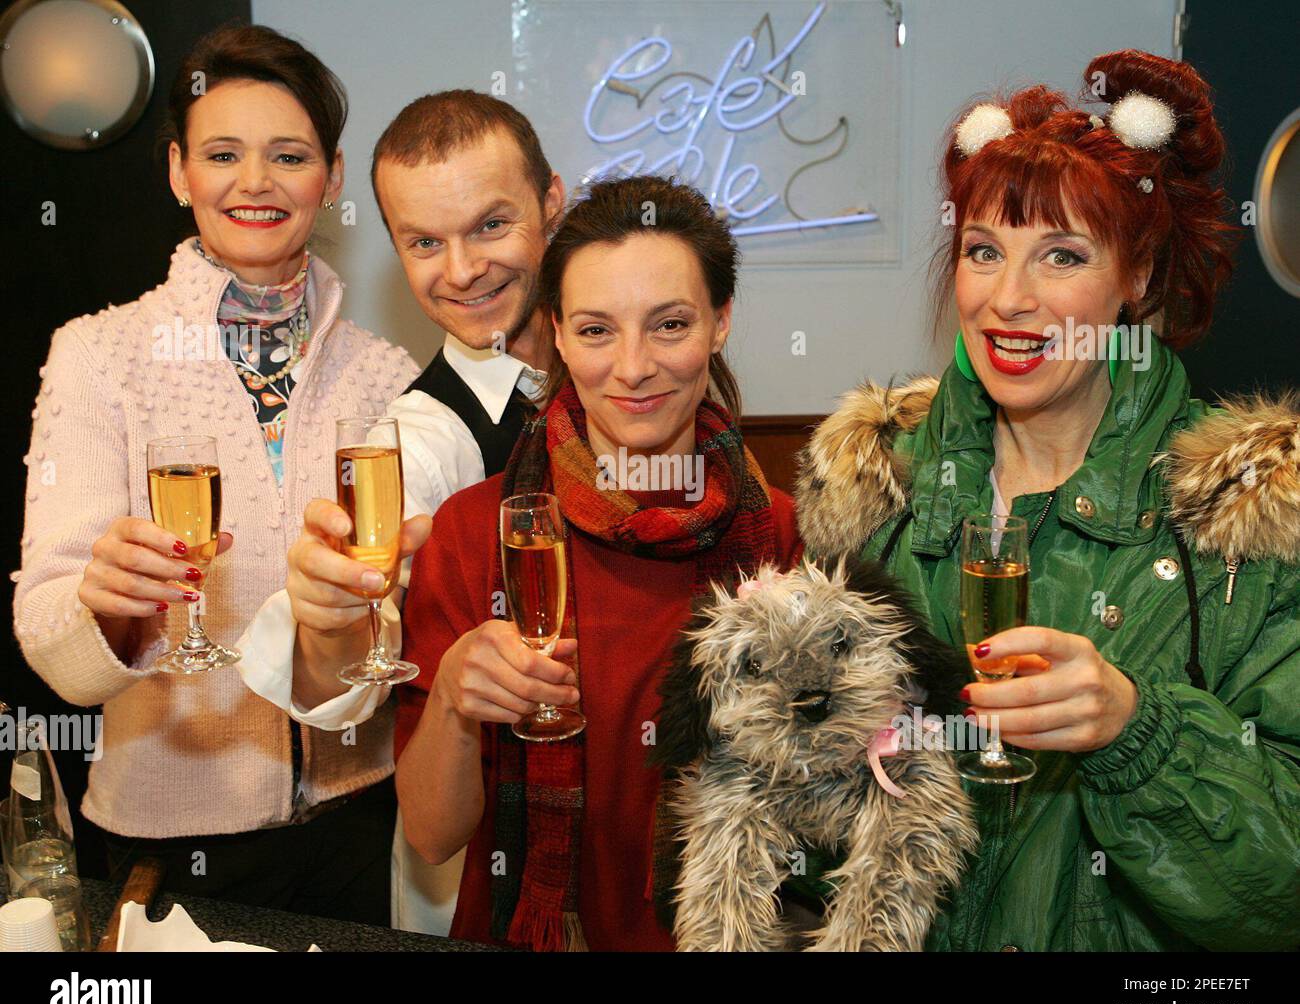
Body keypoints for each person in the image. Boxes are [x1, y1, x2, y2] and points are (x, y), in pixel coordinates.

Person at [797, 50, 1300, 950]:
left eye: (1062, 256)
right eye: (984, 252)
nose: (1009, 300)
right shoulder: (878, 496)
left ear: (1136, 277)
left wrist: (1137, 734)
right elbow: (803, 853)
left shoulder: (1249, 522)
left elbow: (1281, 892)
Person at [12, 24, 417, 925]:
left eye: (290, 155)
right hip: (167, 842)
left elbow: (407, 606)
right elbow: (51, 642)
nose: (256, 182)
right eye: (222, 154)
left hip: (358, 826)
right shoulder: (98, 355)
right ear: (177, 172)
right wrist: (108, 605)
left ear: (333, 178)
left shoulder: (385, 372)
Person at [394, 175, 802, 950]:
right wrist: (451, 695)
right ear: (555, 332)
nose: (634, 367)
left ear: (720, 323)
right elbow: (430, 834)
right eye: (596, 331)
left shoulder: (776, 533)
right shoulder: (480, 531)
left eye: (671, 324)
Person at [237, 91, 566, 933]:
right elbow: (333, 678)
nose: (460, 271)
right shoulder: (418, 438)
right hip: (479, 873)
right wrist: (329, 622)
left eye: (491, 226)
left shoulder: (632, 374)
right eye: (425, 242)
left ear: (552, 204)